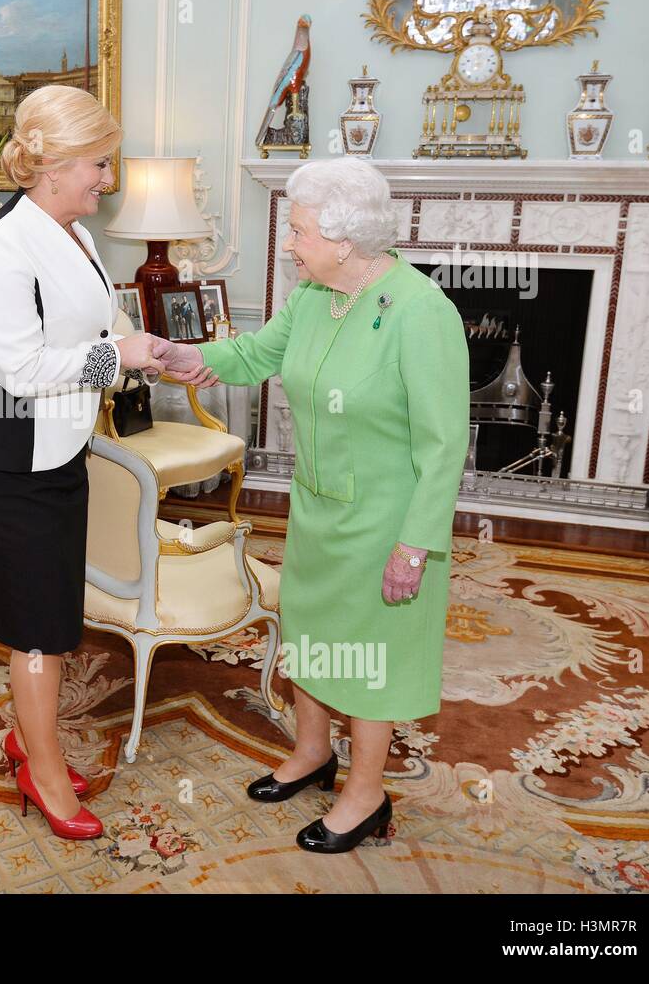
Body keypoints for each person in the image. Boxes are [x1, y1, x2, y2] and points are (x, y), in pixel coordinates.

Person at [160, 156, 469, 853]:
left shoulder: (422, 313)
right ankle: (311, 751)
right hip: (319, 505)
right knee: (311, 629)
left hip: (388, 519)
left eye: (299, 231)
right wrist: (179, 356)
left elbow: (445, 445)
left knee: (369, 656)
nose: (291, 243)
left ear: (343, 237)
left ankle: (365, 793)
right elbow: (255, 355)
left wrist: (415, 543)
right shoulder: (313, 295)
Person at [0, 85, 168, 840]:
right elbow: (19, 369)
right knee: (36, 627)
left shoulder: (76, 233)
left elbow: (98, 317)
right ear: (54, 165)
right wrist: (120, 355)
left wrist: (149, 347)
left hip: (59, 453)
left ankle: (28, 739)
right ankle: (42, 772)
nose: (106, 179)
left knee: (51, 612)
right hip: (10, 461)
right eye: (99, 164)